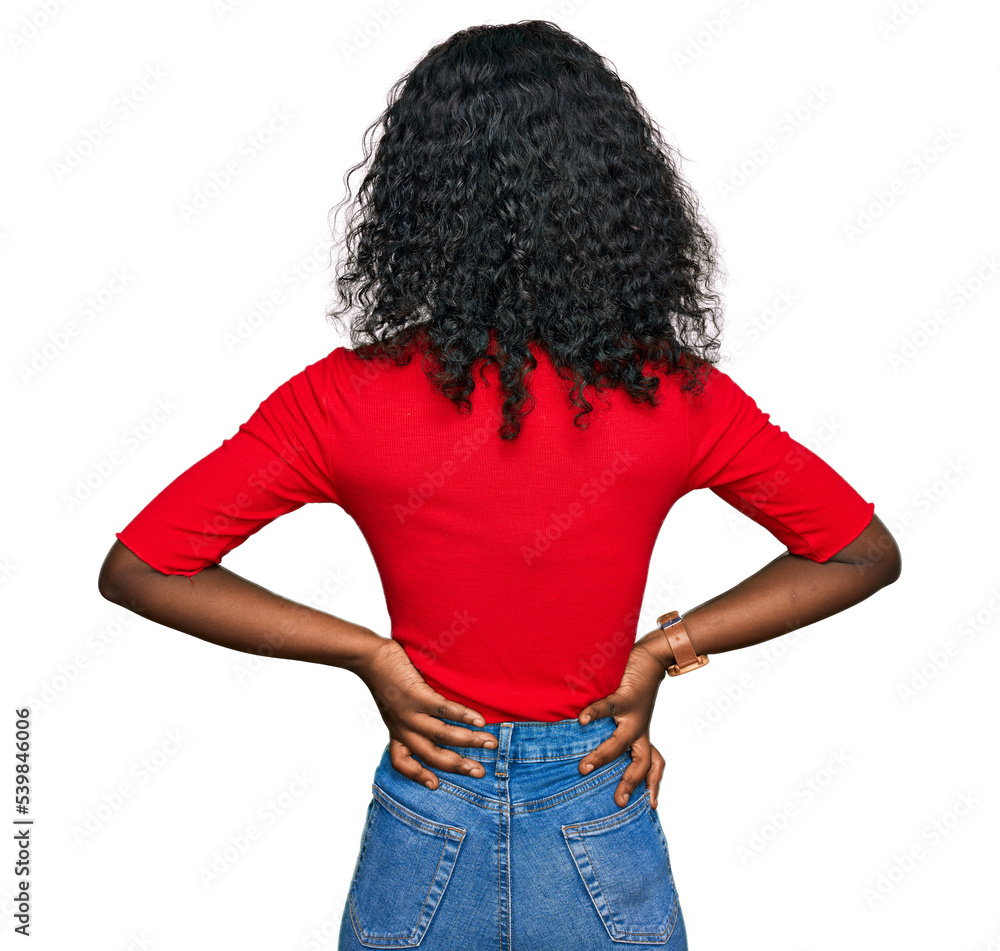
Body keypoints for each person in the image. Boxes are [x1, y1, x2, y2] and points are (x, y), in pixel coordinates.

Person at [97, 20, 901, 950]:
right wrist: (663, 651)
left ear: (414, 203)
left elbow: (143, 566)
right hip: (597, 803)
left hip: (428, 803)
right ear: (617, 194)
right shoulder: (677, 396)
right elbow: (859, 552)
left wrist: (371, 654)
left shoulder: (343, 398)